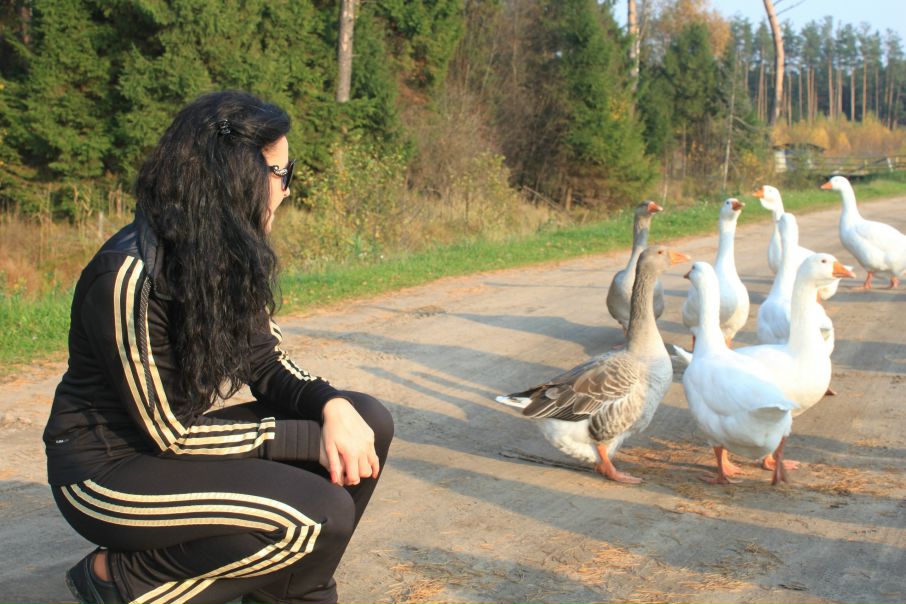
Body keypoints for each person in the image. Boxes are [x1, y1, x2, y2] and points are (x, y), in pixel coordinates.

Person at [42, 90, 394, 604]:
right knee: (319, 513)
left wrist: (331, 407)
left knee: (367, 420)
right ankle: (120, 580)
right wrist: (304, 440)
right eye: (283, 173)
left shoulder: (222, 249)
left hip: (170, 449)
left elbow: (264, 360)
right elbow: (170, 435)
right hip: (107, 473)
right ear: (237, 174)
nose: (287, 190)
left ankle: (294, 593)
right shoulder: (128, 276)